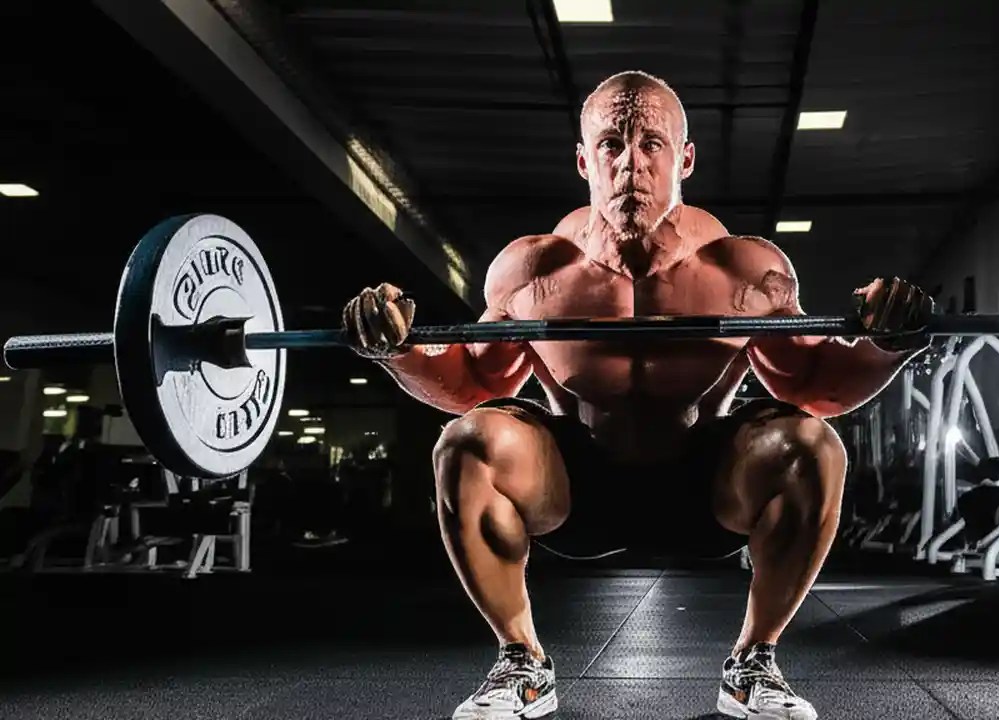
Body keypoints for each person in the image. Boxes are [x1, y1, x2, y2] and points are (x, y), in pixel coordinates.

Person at [342, 70, 934, 720]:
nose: (631, 163)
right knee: (467, 443)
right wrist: (396, 351)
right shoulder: (534, 269)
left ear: (685, 159)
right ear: (583, 161)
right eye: (611, 145)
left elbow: (815, 384)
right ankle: (521, 662)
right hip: (577, 490)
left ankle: (753, 662)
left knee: (812, 445)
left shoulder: (743, 269)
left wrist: (888, 344)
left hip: (703, 492)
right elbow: (472, 385)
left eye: (652, 143)